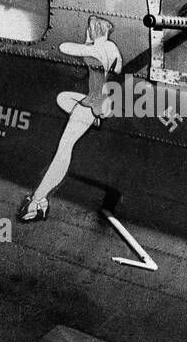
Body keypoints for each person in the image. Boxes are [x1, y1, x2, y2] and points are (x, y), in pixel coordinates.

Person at [19, 16, 123, 223]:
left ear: (94, 30)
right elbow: (117, 69)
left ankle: (38, 200)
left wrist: (87, 43)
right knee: (63, 98)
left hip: (91, 105)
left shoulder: (94, 49)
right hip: (104, 102)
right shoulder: (112, 48)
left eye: (89, 28)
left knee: (63, 150)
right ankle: (93, 120)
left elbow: (64, 47)